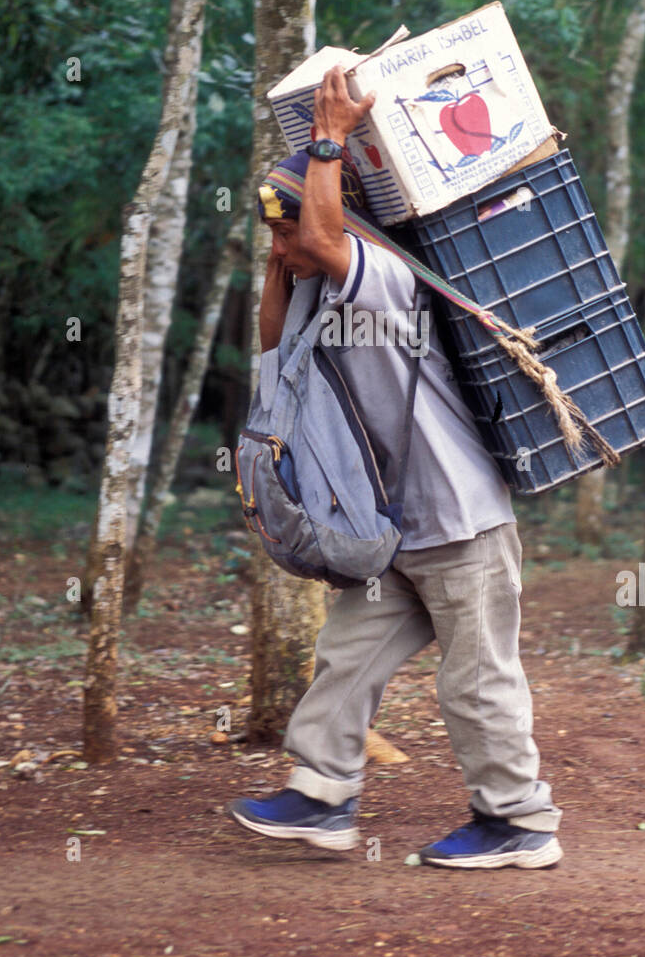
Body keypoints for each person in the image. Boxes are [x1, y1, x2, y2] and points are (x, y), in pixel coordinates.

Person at [227, 66, 562, 869]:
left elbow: (318, 238)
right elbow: (271, 344)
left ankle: (520, 821)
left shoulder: (386, 281)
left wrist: (329, 140)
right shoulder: (317, 291)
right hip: (393, 530)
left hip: (461, 520)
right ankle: (322, 796)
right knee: (347, 656)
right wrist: (279, 254)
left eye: (290, 233)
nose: (284, 249)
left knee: (476, 680)